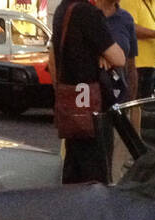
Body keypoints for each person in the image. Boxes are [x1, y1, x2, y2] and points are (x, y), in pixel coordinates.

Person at [50, 0, 124, 183]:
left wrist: (98, 53)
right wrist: (103, 54)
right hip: (92, 107)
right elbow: (119, 58)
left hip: (70, 101)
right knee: (95, 173)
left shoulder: (62, 9)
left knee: (73, 167)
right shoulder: (88, 13)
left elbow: (53, 55)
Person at [121, 0, 155, 99]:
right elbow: (130, 27)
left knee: (143, 106)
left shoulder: (154, 4)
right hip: (135, 65)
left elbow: (149, 28)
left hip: (149, 65)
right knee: (133, 104)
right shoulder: (130, 2)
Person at [99, 0, 137, 106]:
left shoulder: (126, 18)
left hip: (119, 99)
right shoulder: (85, 14)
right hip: (89, 97)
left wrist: (131, 103)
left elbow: (131, 65)